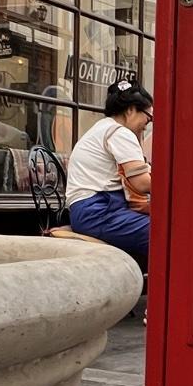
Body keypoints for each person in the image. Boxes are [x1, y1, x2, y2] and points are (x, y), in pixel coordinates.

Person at [65, 80, 153, 270]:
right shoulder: (120, 132)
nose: (146, 126)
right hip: (98, 212)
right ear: (131, 110)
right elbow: (142, 183)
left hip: (89, 210)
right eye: (147, 118)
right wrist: (178, 185)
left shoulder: (102, 127)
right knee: (166, 234)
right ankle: (173, 298)